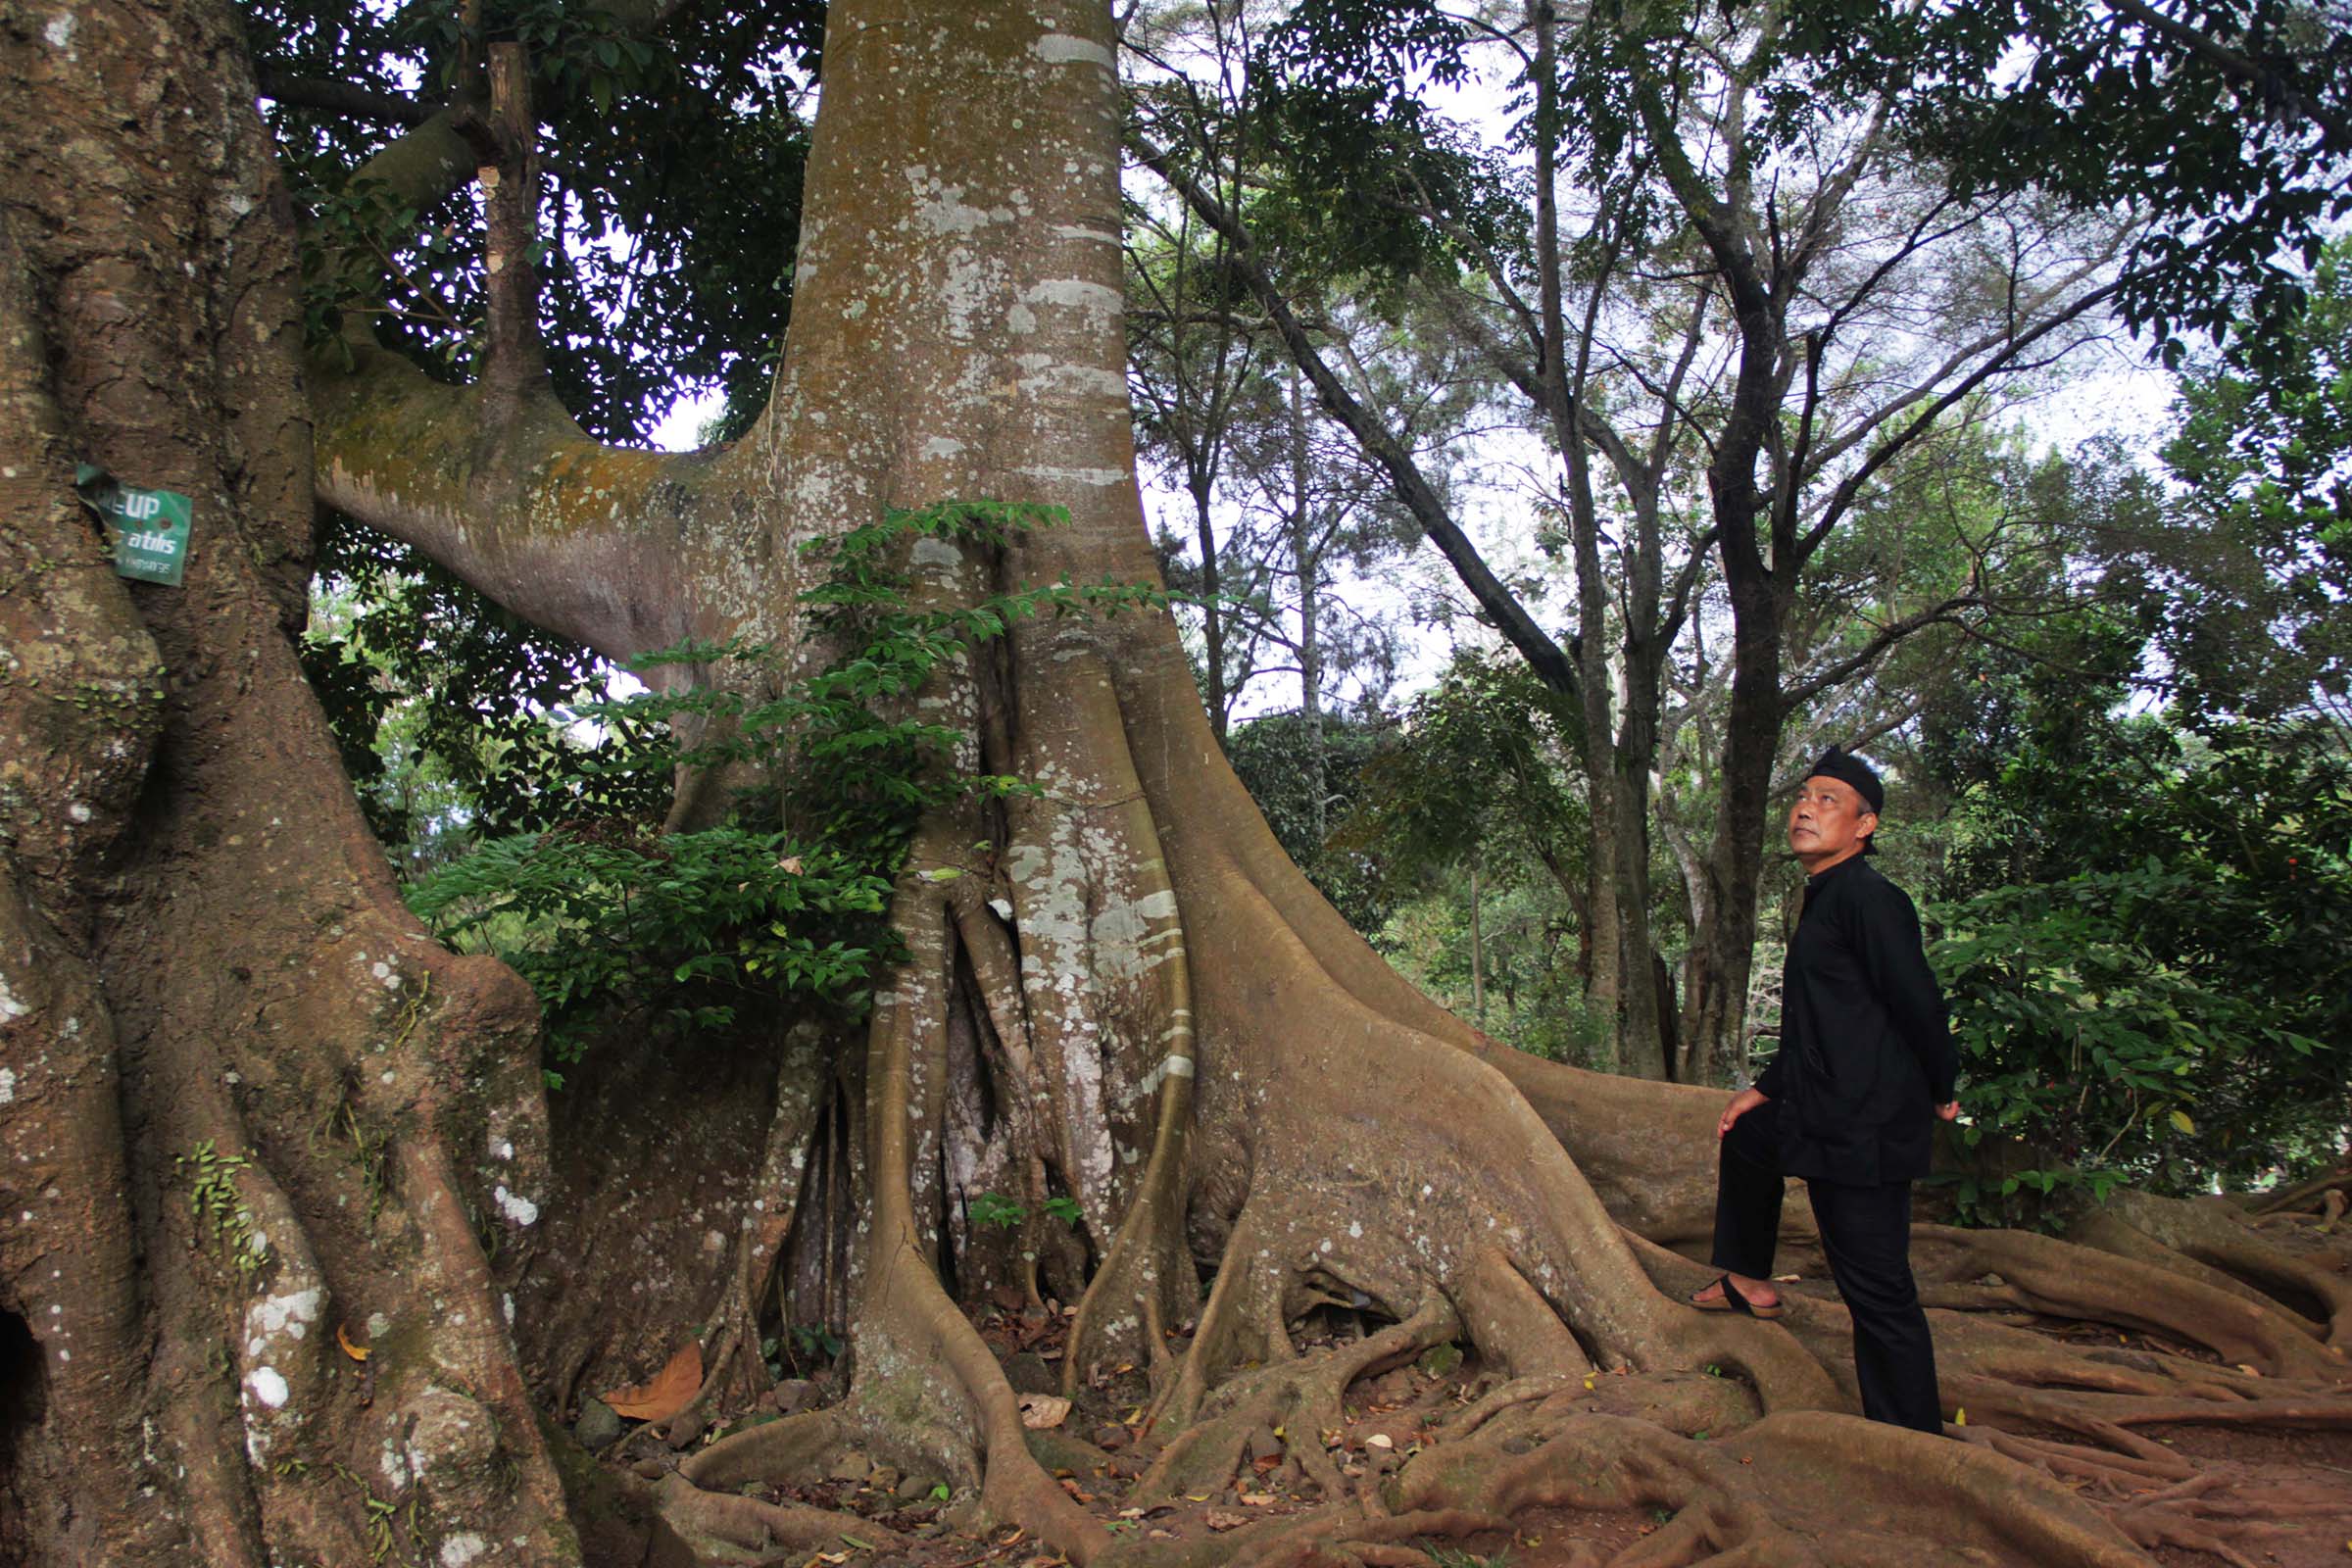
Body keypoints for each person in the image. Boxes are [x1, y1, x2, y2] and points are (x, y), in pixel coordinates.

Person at [1688, 746, 1959, 1434]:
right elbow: (1825, 1021)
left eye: (1829, 800)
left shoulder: (1871, 900)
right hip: (1820, 1105)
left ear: (1865, 826)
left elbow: (1917, 1002)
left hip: (1863, 1128)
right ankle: (1749, 1282)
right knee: (1749, 1136)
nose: (1806, 808)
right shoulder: (1825, 898)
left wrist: (1941, 1085)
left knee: (1878, 1290)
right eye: (1804, 797)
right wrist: (1766, 1088)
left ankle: (1915, 1441)